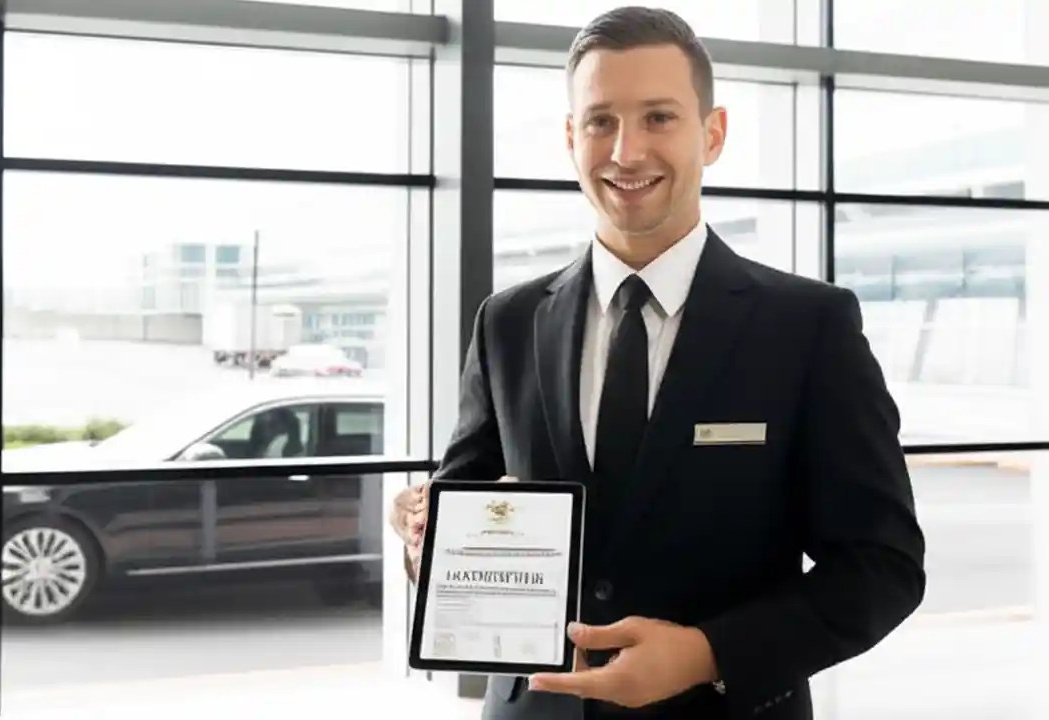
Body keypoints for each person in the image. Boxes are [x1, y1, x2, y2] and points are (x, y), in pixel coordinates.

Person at [389, 6, 926, 719]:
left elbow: (881, 567)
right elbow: (466, 517)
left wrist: (707, 653)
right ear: (571, 136)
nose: (626, 151)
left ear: (713, 133)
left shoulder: (808, 327)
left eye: (659, 118)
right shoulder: (508, 323)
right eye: (601, 120)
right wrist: (426, 538)